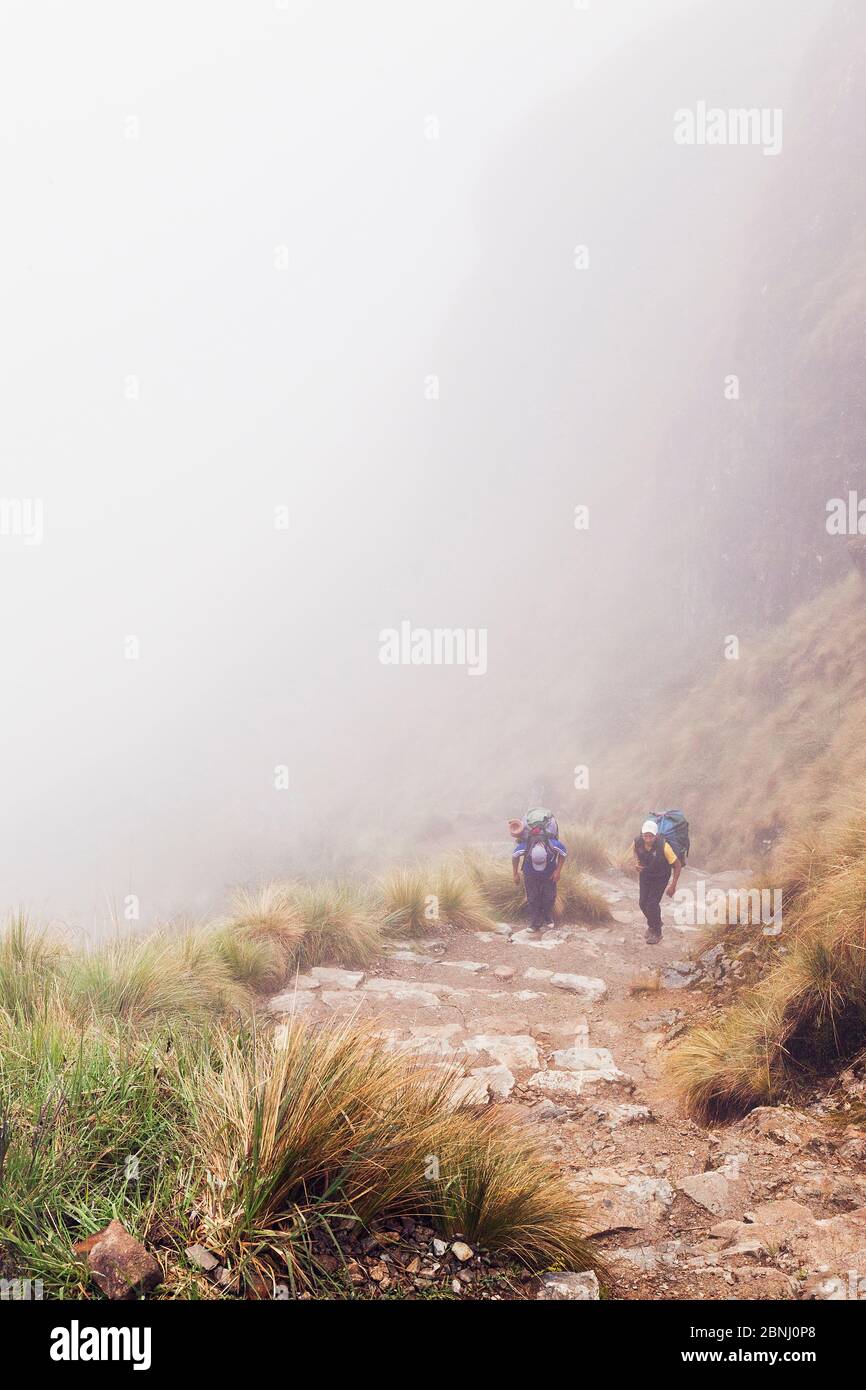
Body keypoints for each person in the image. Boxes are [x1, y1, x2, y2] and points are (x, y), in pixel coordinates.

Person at [512, 819, 567, 932]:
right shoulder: (525, 846)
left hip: (549, 873)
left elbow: (563, 854)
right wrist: (515, 873)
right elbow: (515, 856)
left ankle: (548, 917)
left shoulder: (553, 845)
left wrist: (558, 871)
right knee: (533, 897)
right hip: (530, 873)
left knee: (550, 897)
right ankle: (534, 923)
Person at [633, 818, 681, 944]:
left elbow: (677, 865)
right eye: (645, 835)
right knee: (642, 903)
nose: (648, 838)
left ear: (656, 836)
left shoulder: (664, 847)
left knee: (652, 904)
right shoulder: (637, 841)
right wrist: (636, 863)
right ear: (642, 834)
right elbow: (635, 852)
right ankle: (654, 924)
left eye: (651, 836)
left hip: (660, 877)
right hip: (646, 874)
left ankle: (657, 932)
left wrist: (673, 885)